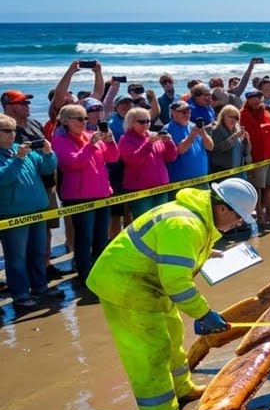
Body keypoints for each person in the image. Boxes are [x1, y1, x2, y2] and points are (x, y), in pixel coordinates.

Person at [86, 178, 258, 410]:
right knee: (150, 350)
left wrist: (203, 251)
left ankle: (182, 388)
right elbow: (176, 281)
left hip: (149, 283)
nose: (238, 224)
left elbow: (173, 251)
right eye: (238, 217)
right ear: (222, 208)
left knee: (173, 335)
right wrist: (203, 313)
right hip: (126, 286)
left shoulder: (198, 218)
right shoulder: (184, 224)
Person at [52, 103, 118, 281]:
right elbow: (71, 163)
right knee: (85, 237)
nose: (84, 122)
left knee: (101, 237)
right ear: (66, 121)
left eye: (86, 118)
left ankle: (99, 271)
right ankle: (85, 274)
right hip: (79, 197)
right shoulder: (60, 141)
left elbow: (112, 158)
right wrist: (91, 145)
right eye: (79, 118)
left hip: (102, 194)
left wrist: (110, 142)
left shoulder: (90, 136)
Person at [0, 114, 57, 306]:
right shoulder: (16, 154)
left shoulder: (20, 149)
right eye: (6, 131)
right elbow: (3, 179)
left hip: (37, 211)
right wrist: (18, 160)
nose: (11, 135)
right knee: (17, 256)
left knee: (38, 252)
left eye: (13, 130)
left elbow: (47, 169)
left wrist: (49, 153)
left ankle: (40, 286)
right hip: (12, 214)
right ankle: (20, 294)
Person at [118, 107, 177, 219]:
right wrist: (149, 144)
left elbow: (171, 157)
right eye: (142, 121)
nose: (146, 124)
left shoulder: (153, 136)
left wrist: (169, 142)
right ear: (132, 123)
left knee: (161, 222)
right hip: (140, 190)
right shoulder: (125, 139)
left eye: (148, 121)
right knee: (145, 223)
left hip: (161, 187)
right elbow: (133, 161)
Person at [241, 89, 270, 224]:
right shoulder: (243, 114)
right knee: (257, 187)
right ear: (247, 100)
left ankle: (269, 213)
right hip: (256, 157)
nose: (255, 100)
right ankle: (259, 215)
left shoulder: (267, 113)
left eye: (258, 97)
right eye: (252, 98)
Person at [163, 100, 214, 187]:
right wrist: (192, 135)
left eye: (189, 111)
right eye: (183, 112)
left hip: (202, 180)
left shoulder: (194, 126)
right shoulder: (167, 129)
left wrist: (204, 134)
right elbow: (179, 151)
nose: (187, 114)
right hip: (182, 183)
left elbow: (210, 147)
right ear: (174, 113)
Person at [209, 105, 251, 175]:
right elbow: (218, 149)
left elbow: (246, 151)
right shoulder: (216, 130)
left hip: (239, 170)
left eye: (236, 118)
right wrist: (235, 136)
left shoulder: (238, 129)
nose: (233, 120)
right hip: (223, 171)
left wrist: (247, 141)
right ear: (223, 117)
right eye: (230, 117)